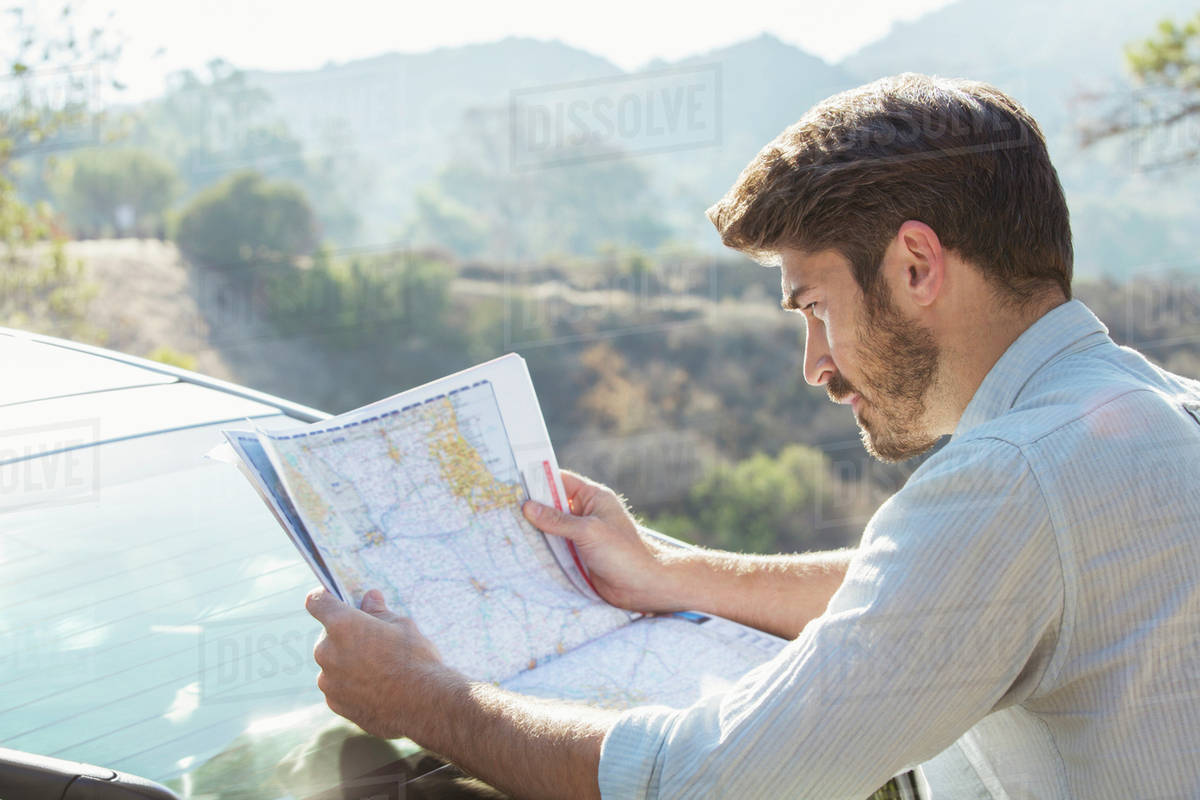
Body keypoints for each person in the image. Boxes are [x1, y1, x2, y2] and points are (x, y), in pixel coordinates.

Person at [304, 73, 1200, 799]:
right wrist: (674, 573)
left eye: (815, 308)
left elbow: (700, 784)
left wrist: (426, 697)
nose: (815, 364)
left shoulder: (1015, 483)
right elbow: (930, 591)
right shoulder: (1153, 414)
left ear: (917, 266)